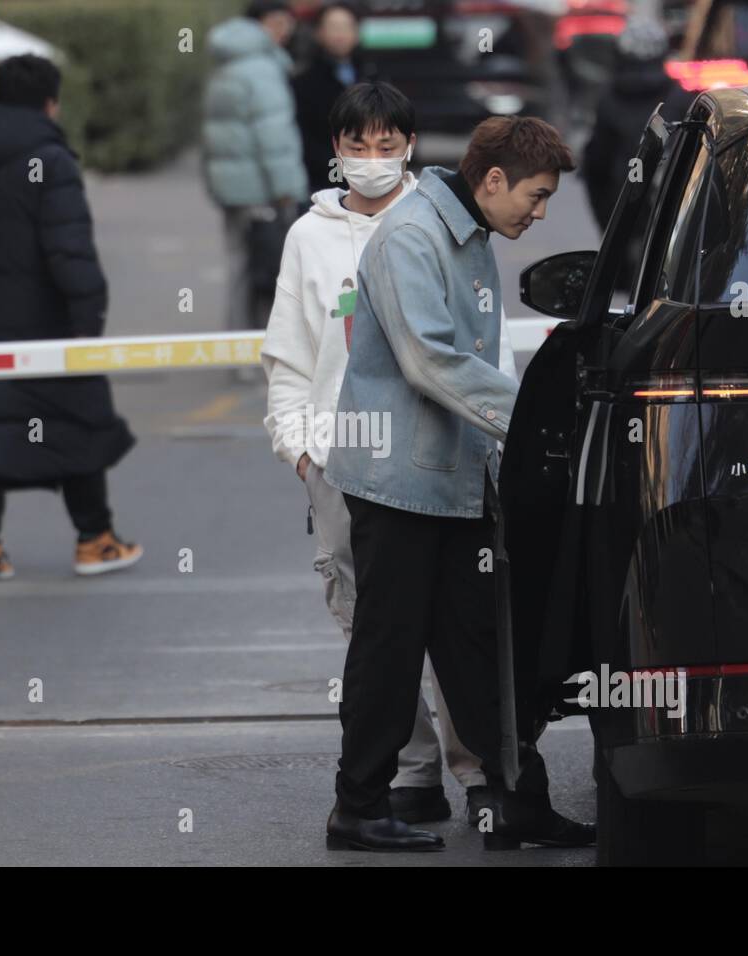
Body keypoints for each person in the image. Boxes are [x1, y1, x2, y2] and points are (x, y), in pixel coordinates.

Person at [321, 116, 597, 850]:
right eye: (535, 197)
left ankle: (515, 800)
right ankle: (358, 808)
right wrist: (536, 423)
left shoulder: (467, 234)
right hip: (398, 486)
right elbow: (430, 361)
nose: (539, 214)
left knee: (481, 649)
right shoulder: (413, 237)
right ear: (494, 180)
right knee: (390, 646)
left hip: (455, 480)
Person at [263, 82, 516, 826]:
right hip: (343, 463)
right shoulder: (308, 237)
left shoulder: (436, 226)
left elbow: (479, 349)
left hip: (437, 458)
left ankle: (478, 771)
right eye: (356, 145)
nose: (372, 159)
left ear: (410, 145)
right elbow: (288, 354)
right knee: (372, 626)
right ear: (335, 151)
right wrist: (303, 451)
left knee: (452, 623)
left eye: (386, 144)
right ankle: (410, 772)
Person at [0, 54, 142, 583]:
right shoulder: (49, 161)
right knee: (76, 425)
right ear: (50, 103)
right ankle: (94, 540)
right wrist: (89, 320)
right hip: (49, 327)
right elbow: (70, 250)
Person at [202, 0, 310, 333]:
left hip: (233, 188)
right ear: (260, 24)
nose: (286, 30)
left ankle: (235, 344)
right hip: (262, 190)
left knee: (241, 267)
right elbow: (272, 136)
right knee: (264, 270)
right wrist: (286, 191)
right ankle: (252, 346)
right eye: (279, 22)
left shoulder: (229, 61)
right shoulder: (261, 68)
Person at [583, 16, 691, 232]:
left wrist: (608, 225)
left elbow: (595, 166)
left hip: (628, 218)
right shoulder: (681, 97)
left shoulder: (607, 100)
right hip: (670, 220)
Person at [293, 1, 377, 196]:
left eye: (347, 27)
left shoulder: (372, 75)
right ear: (319, 33)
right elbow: (304, 138)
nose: (340, 35)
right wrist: (338, 169)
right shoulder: (303, 82)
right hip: (323, 179)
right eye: (333, 27)